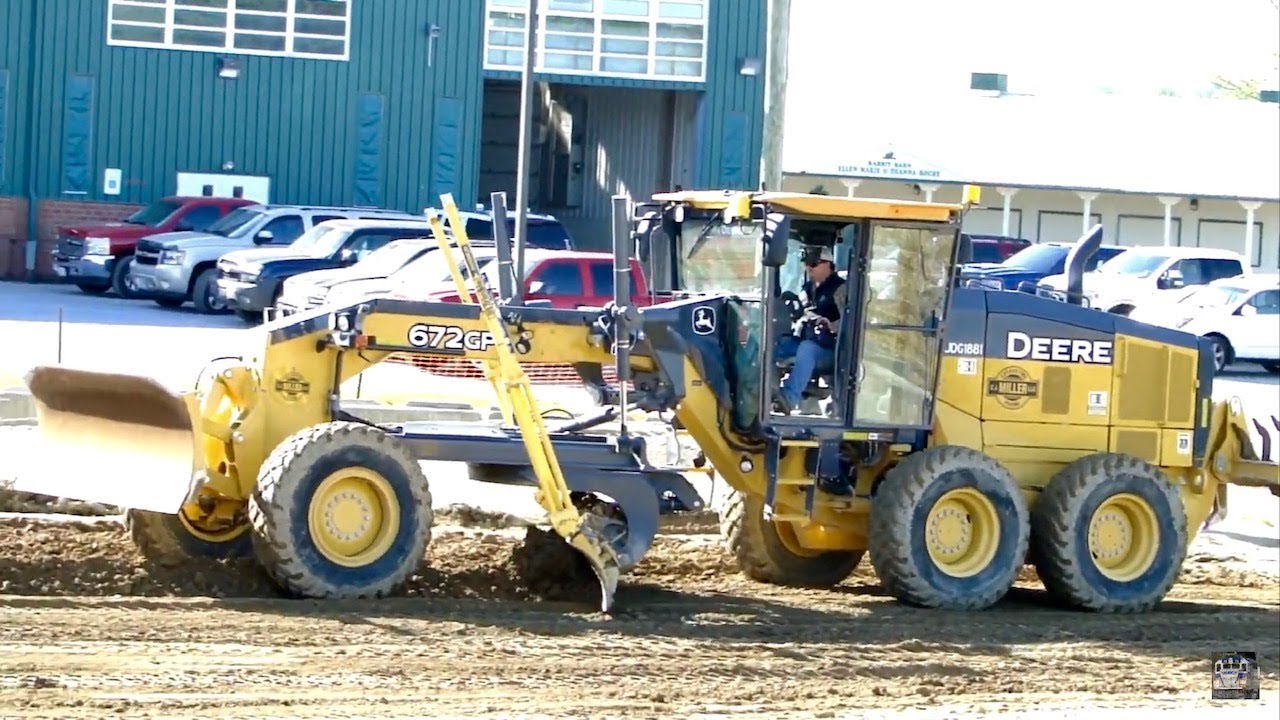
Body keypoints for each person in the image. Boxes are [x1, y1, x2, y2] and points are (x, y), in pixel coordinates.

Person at [774, 245, 846, 415]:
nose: (808, 268)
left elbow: (853, 322)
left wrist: (831, 324)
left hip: (832, 350)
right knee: (776, 344)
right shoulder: (807, 289)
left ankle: (788, 399)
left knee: (807, 349)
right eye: (807, 264)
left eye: (813, 264)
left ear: (828, 264)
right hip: (806, 339)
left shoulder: (841, 289)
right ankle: (765, 392)